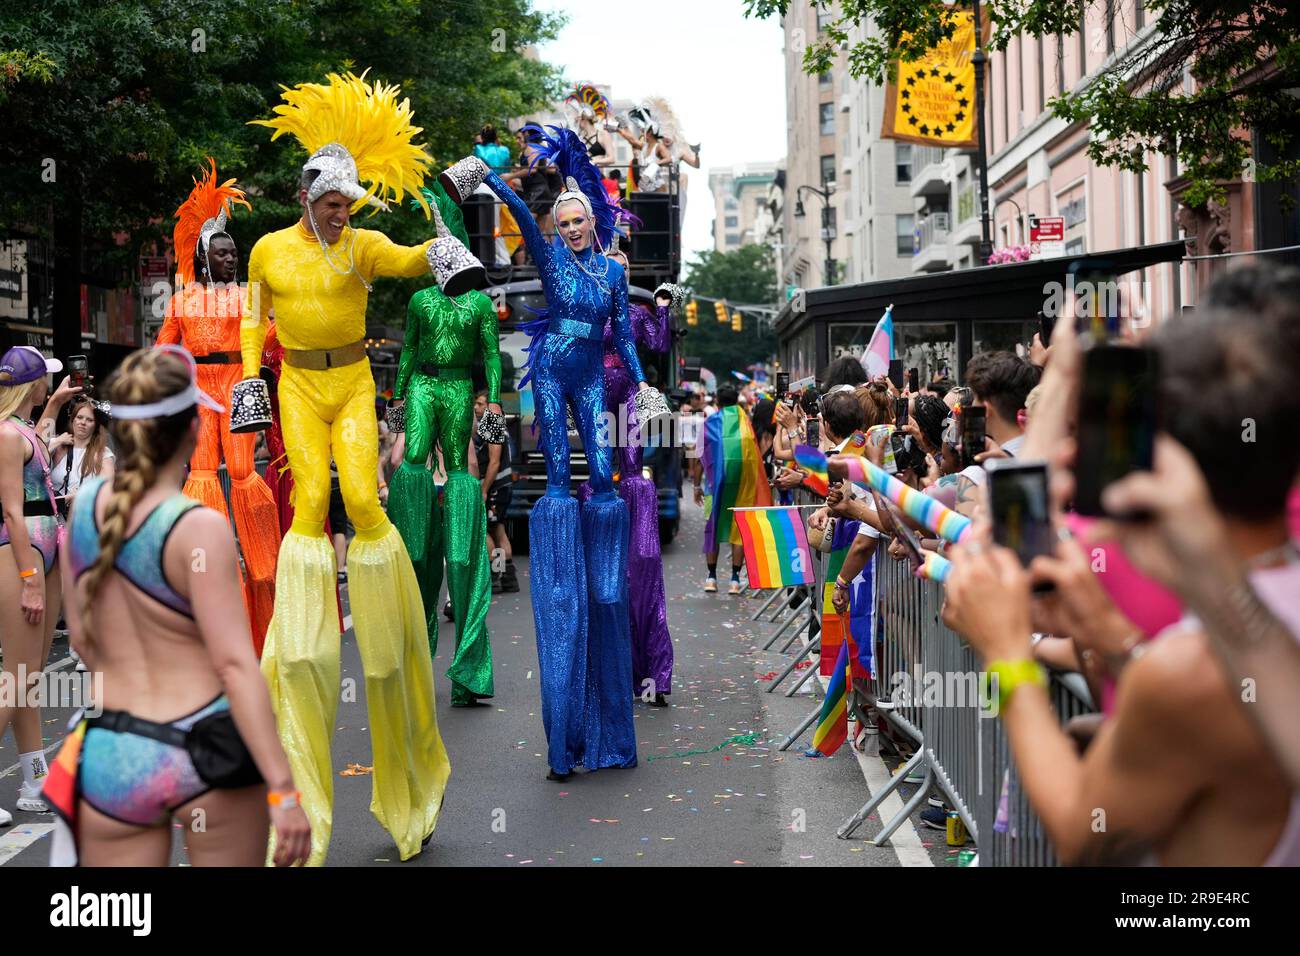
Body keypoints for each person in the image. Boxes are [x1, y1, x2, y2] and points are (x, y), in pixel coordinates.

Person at [942, 302, 1300, 865]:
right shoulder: (1241, 627)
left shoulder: (1191, 673)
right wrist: (1111, 641)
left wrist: (1009, 658)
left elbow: (1085, 836)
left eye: (1116, 436)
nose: (1076, 456)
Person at [238, 71, 450, 864]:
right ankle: (302, 642)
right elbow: (253, 328)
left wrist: (445, 247)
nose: (342, 211)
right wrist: (248, 399)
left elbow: (404, 259)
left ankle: (390, 631)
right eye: (332, 201)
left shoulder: (362, 243)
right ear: (306, 196)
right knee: (310, 502)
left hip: (354, 381)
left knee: (362, 497)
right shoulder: (266, 249)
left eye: (349, 203)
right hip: (295, 382)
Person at [447, 124, 666, 782]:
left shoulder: (612, 273)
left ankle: (602, 581)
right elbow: (520, 214)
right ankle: (558, 548)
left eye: (577, 221)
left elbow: (623, 337)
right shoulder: (550, 259)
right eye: (562, 222)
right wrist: (487, 180)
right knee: (560, 489)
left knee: (602, 477)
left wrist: (645, 382)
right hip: (550, 370)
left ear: (593, 221)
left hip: (592, 374)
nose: (569, 229)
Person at [45, 346, 311, 866]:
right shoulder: (199, 527)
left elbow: (81, 640)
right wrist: (283, 789)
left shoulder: (84, 511)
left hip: (114, 755)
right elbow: (235, 665)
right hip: (205, 749)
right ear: (193, 429)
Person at [157, 159, 279, 653]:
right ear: (205, 258)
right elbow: (164, 351)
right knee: (204, 472)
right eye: (223, 254)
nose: (231, 259)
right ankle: (207, 568)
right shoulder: (183, 301)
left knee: (244, 471)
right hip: (199, 392)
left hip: (239, 387)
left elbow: (275, 338)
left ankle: (262, 562)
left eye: (234, 253)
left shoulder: (251, 298)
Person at [389, 183, 498, 706]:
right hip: (424, 384)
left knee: (458, 469)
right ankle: (413, 530)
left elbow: (492, 359)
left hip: (457, 386)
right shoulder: (419, 300)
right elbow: (408, 352)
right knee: (413, 460)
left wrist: (493, 402)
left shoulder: (479, 304)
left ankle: (465, 667)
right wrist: (395, 402)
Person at [579, 276, 676, 707]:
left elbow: (658, 344)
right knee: (603, 465)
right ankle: (604, 488)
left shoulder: (634, 315)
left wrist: (663, 307)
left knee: (632, 465)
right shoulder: (588, 309)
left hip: (629, 395)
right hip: (596, 390)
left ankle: (649, 672)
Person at [0, 347, 71, 824]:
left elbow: (37, 452)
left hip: (45, 552)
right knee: (16, 677)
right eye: (46, 378)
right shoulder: (7, 434)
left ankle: (34, 778)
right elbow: (10, 509)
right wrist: (29, 578)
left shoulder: (22, 428)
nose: (52, 382)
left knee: (30, 676)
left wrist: (53, 409)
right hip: (20, 555)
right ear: (32, 384)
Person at [697, 383, 773, 594]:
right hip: (743, 487)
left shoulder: (710, 422)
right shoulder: (745, 424)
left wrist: (696, 485)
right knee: (739, 528)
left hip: (713, 486)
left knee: (712, 525)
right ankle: (734, 580)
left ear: (718, 403)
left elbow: (699, 456)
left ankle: (711, 578)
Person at [951, 351, 1039, 517]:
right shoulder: (1052, 460)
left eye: (974, 399)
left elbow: (964, 540)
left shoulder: (978, 475)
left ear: (986, 410)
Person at [473, 390, 518, 593]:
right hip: (500, 487)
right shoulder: (492, 424)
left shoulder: (493, 423)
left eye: (481, 404)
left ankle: (496, 576)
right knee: (498, 531)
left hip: (494, 488)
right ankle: (508, 577)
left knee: (486, 531)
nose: (476, 407)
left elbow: (493, 462)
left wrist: (484, 490)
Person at [49, 396, 115, 508]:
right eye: (79, 417)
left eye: (89, 420)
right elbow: (34, 468)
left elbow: (108, 488)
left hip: (84, 511)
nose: (83, 422)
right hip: (54, 516)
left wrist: (76, 496)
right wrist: (55, 442)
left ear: (96, 426)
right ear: (73, 420)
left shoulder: (102, 453)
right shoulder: (58, 445)